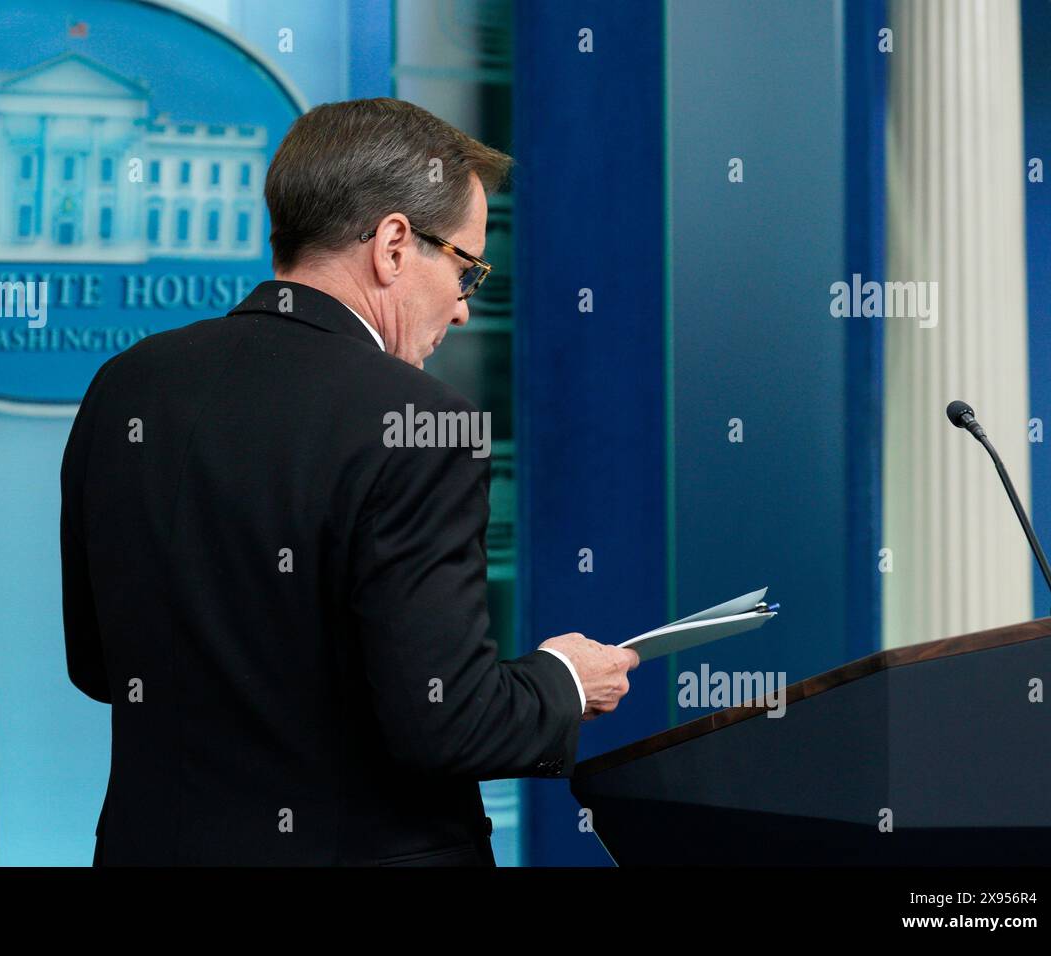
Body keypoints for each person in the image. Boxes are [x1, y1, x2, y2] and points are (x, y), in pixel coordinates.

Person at [60, 97, 639, 865]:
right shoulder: (424, 424)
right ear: (395, 245)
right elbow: (447, 723)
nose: (465, 311)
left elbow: (98, 667)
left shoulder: (125, 387)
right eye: (469, 269)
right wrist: (565, 681)